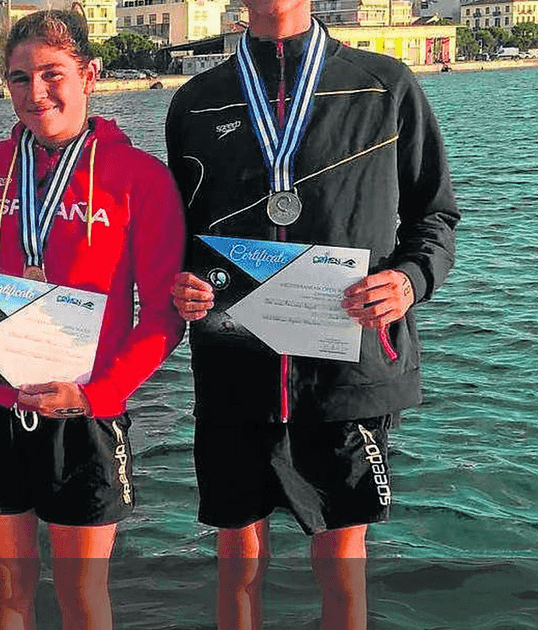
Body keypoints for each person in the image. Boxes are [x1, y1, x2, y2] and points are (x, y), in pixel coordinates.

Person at [165, 0, 459, 627]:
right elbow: (182, 238)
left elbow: (435, 215)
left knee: (341, 559)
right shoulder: (195, 101)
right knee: (237, 558)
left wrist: (408, 281)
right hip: (233, 366)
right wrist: (181, 285)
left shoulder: (385, 86)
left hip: (347, 369)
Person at [0, 10, 185, 630]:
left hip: (84, 413)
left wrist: (98, 394)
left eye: (52, 74)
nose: (36, 94)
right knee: (7, 587)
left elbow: (164, 316)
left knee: (81, 592)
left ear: (89, 76)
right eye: (18, 79)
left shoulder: (140, 179)